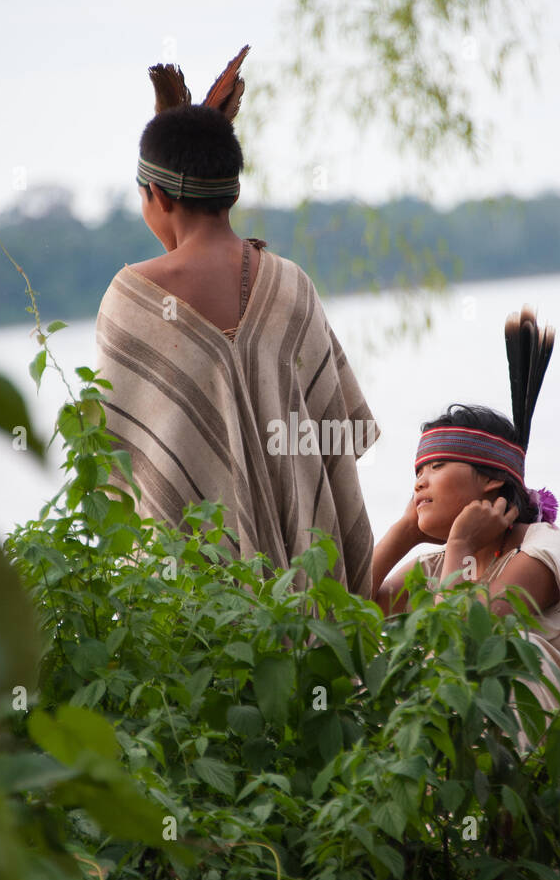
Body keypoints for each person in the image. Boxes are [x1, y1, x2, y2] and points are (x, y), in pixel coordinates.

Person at [95, 45, 379, 595]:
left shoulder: (130, 298)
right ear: (232, 187)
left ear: (155, 194)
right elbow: (341, 437)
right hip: (315, 601)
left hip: (203, 627)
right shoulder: (293, 285)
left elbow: (117, 476)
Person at [372, 308, 560, 751]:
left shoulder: (542, 556)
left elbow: (460, 646)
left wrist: (460, 541)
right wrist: (405, 530)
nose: (420, 481)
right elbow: (352, 612)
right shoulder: (441, 565)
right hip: (497, 769)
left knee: (509, 654)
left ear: (491, 480)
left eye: (438, 465)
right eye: (418, 469)